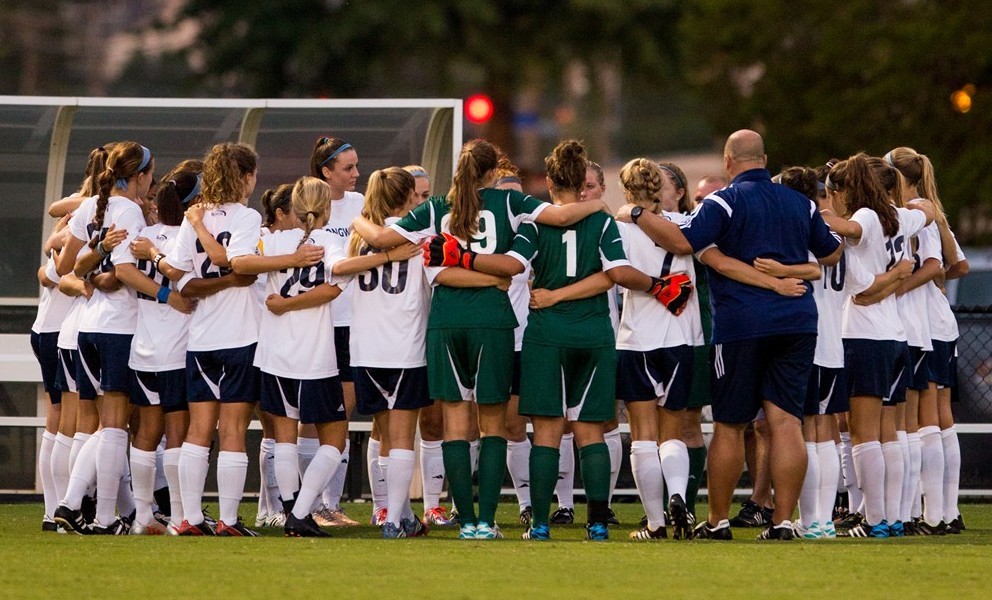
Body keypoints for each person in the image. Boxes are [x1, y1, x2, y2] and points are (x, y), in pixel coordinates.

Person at [351, 138, 609, 540]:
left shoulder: (437, 206)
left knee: (455, 423)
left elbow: (383, 240)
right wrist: (597, 204)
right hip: (492, 320)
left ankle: (466, 521)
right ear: (493, 172)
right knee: (492, 425)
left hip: (447, 321)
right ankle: (486, 522)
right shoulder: (510, 203)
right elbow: (558, 219)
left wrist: (356, 218)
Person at [616, 130, 842, 540]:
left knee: (730, 425)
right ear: (765, 158)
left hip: (742, 324)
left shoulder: (725, 201)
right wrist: (790, 270)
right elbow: (829, 252)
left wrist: (634, 213)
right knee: (787, 422)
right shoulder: (801, 203)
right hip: (797, 321)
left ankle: (718, 521)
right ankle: (784, 522)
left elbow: (685, 241)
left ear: (727, 161)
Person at [501, 141, 669, 541]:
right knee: (590, 430)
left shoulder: (532, 222)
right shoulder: (603, 221)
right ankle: (596, 524)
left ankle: (540, 524)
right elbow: (614, 272)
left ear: (549, 181)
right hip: (593, 333)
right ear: (582, 185)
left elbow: (513, 268)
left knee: (545, 432)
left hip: (546, 333)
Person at [820, 153, 935, 538]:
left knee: (863, 434)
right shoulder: (899, 216)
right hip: (895, 336)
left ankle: (874, 521)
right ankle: (894, 517)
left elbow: (862, 287)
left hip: (864, 336)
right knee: (890, 434)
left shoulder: (867, 217)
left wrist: (809, 212)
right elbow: (929, 210)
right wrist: (897, 273)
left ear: (846, 190)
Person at [53, 142, 155, 535]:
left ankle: (73, 507)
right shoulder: (128, 210)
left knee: (97, 425)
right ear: (139, 176)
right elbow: (124, 273)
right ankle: (99, 515)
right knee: (114, 425)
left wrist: (94, 264)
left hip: (88, 326)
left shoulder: (89, 207)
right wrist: (166, 293)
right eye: (150, 175)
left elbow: (66, 267)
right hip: (119, 326)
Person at [344, 168, 433, 538]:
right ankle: (395, 521)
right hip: (404, 348)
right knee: (402, 438)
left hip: (365, 350)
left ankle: (395, 513)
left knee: (381, 434)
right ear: (410, 196)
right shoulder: (421, 234)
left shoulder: (358, 239)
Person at [887, 147, 966, 533]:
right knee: (935, 419)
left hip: (924, 324)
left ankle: (935, 513)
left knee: (923, 420)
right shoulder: (924, 209)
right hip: (932, 322)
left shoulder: (920, 212)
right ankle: (945, 510)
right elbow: (958, 264)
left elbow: (937, 264)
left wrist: (899, 289)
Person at [116, 168, 198, 534]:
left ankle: (144, 515)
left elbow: (123, 272)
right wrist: (172, 296)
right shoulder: (192, 236)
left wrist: (158, 292)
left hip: (144, 349)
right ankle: (180, 516)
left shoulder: (145, 234)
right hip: (178, 350)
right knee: (178, 433)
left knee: (147, 432)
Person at [305, 136, 364, 527]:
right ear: (326, 171)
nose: (357, 174)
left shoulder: (362, 206)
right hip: (315, 324)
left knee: (342, 414)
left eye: (357, 166)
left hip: (352, 324)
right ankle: (298, 505)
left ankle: (330, 502)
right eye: (348, 168)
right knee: (308, 419)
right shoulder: (305, 204)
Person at [402, 165, 454, 527]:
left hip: (431, 331)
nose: (423, 202)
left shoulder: (437, 235)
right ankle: (385, 506)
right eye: (417, 196)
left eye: (426, 195)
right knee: (387, 426)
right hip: (393, 339)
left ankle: (433, 505)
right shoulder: (383, 235)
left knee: (436, 418)